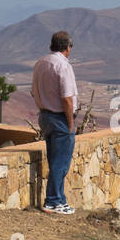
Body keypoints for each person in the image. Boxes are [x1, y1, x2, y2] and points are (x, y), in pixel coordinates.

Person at [30, 31, 78, 215]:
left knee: (54, 159)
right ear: (67, 47)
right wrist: (70, 122)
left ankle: (60, 199)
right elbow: (67, 98)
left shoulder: (40, 63)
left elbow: (34, 91)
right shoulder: (63, 66)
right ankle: (53, 201)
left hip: (45, 116)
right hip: (60, 118)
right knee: (61, 163)